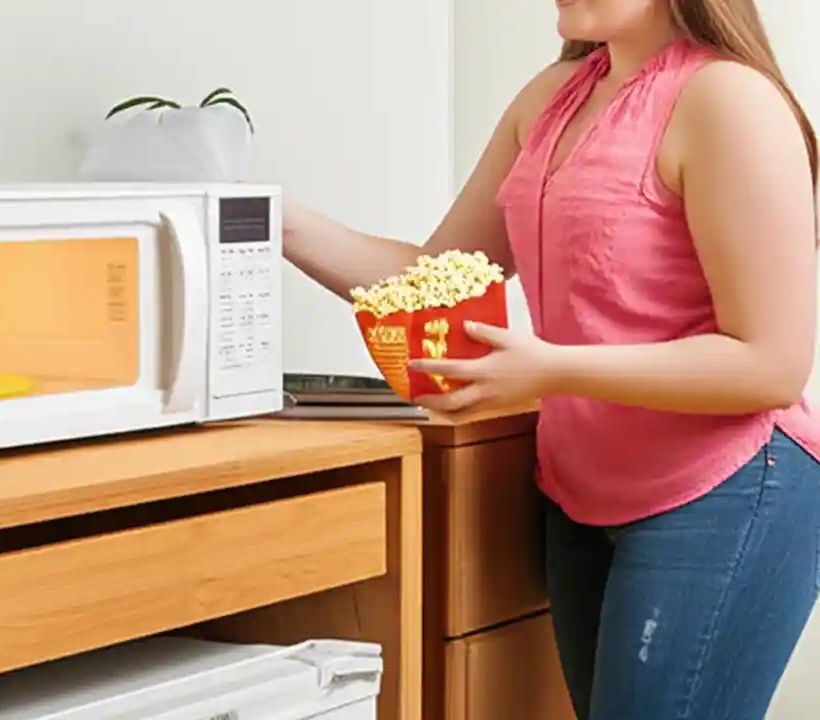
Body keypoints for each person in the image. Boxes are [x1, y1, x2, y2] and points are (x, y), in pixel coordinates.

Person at [284, 1, 820, 718]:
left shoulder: (728, 100)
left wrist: (553, 369)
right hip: (579, 493)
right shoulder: (548, 100)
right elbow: (433, 275)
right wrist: (273, 219)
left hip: (724, 488)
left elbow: (772, 364)